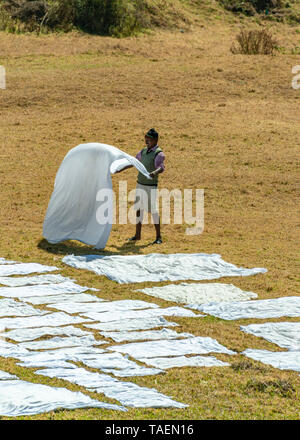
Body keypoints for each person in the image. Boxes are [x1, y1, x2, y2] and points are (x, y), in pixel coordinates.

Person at [116, 128, 165, 244]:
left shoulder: (159, 153)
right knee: (139, 209)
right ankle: (137, 235)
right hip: (140, 184)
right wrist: (120, 169)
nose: (147, 141)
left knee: (154, 211)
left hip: (150, 186)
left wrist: (155, 173)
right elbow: (134, 163)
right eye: (146, 138)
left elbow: (161, 167)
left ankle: (158, 237)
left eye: (149, 139)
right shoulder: (143, 151)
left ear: (155, 140)